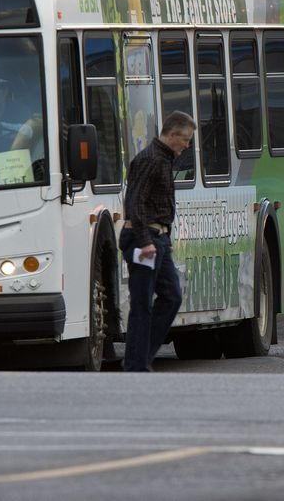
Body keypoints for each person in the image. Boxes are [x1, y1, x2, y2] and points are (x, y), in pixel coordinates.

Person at [120, 111, 196, 372]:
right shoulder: (151, 160)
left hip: (158, 239)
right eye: (185, 140)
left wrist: (165, 238)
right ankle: (136, 363)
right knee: (142, 303)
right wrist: (145, 241)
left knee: (172, 296)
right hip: (144, 240)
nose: (187, 146)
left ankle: (141, 357)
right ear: (172, 134)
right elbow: (135, 202)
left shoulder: (163, 159)